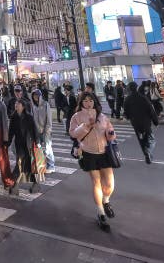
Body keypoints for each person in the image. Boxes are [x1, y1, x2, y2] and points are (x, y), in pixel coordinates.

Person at [69, 92, 117, 231]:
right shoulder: (76, 117)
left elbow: (110, 131)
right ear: (81, 103)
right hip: (88, 153)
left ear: (94, 101)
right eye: (85, 101)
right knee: (96, 183)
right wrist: (85, 126)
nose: (88, 103)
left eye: (90, 100)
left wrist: (111, 134)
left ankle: (106, 200)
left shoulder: (102, 116)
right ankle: (101, 212)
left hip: (104, 153)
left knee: (109, 184)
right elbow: (73, 133)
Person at [7, 99, 40, 195]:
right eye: (15, 104)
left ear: (23, 106)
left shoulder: (29, 117)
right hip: (19, 144)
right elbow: (11, 132)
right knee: (20, 164)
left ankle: (34, 184)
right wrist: (7, 143)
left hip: (29, 144)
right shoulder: (13, 117)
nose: (16, 105)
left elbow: (34, 130)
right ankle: (15, 186)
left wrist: (37, 142)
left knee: (30, 165)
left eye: (18, 104)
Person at [123, 82, 159, 164]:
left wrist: (129, 117)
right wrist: (155, 121)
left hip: (135, 123)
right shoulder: (143, 97)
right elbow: (151, 110)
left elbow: (126, 113)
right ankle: (148, 152)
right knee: (151, 139)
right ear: (136, 87)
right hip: (146, 123)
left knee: (141, 139)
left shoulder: (127, 99)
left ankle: (146, 153)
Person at [30, 89, 54, 174]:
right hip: (36, 131)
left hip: (45, 130)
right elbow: (32, 119)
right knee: (38, 149)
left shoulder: (45, 104)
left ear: (40, 96)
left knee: (48, 148)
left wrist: (48, 130)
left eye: (37, 95)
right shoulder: (33, 106)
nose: (35, 97)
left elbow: (49, 118)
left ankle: (51, 166)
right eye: (34, 95)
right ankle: (41, 166)